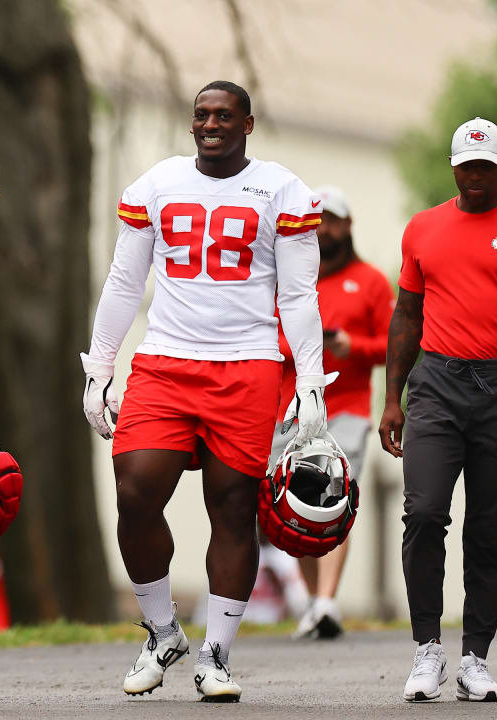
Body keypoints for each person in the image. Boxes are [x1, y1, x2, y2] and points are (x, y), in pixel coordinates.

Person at [81, 81, 327, 702]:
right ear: (191, 125)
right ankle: (163, 630)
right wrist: (99, 369)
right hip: (165, 363)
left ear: (248, 123)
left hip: (247, 366)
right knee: (135, 491)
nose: (211, 123)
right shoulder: (159, 183)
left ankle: (216, 653)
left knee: (233, 507)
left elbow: (298, 296)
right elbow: (122, 282)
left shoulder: (281, 189)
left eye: (224, 115)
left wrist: (310, 381)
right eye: (202, 115)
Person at [381, 117, 497, 703]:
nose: (476, 177)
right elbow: (406, 315)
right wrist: (393, 398)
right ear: (453, 166)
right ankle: (427, 651)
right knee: (425, 513)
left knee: (489, 530)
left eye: (486, 167)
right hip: (436, 383)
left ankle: (475, 659)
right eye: (467, 166)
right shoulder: (424, 228)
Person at [268, 185, 393, 640]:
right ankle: (312, 602)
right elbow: (267, 338)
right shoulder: (288, 278)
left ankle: (325, 601)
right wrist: (305, 348)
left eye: (331, 220)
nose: (323, 229)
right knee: (288, 500)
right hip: (290, 408)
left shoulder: (373, 281)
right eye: (316, 221)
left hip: (347, 407)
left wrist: (348, 345)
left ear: (347, 225)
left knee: (338, 495)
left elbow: (392, 346)